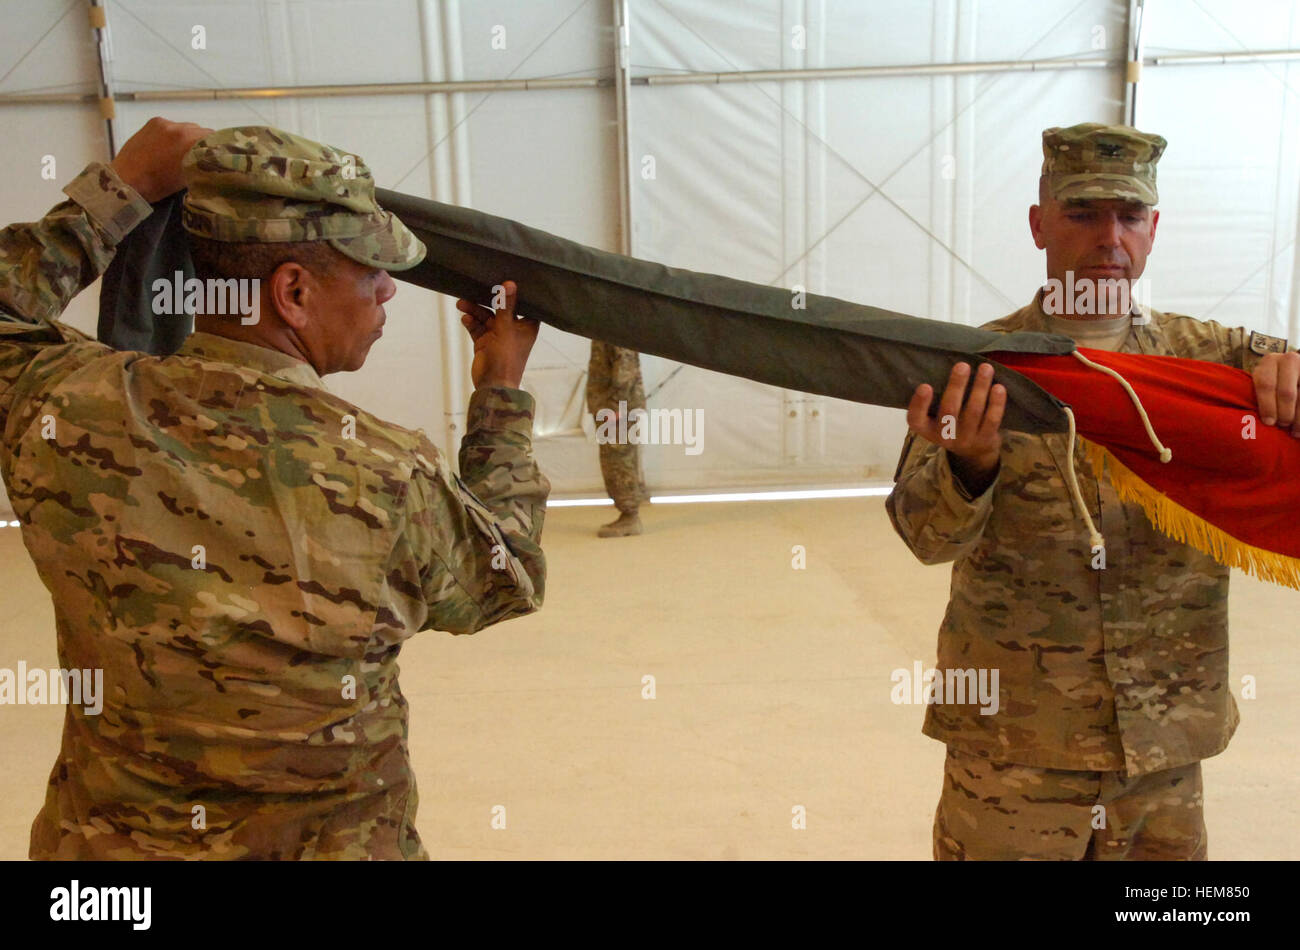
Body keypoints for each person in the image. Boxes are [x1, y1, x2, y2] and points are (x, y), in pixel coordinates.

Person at [0, 119, 549, 859]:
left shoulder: (64, 405)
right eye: (370, 269)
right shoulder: (388, 475)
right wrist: (501, 392)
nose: (388, 288)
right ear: (292, 291)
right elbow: (506, 577)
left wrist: (120, 188)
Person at [886, 122, 1300, 860]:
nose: (1110, 238)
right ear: (1039, 224)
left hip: (1164, 744)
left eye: (1129, 215)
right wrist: (970, 466)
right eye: (1082, 213)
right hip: (1015, 746)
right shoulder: (979, 367)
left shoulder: (1219, 364)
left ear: (1153, 230)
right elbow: (923, 536)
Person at [587, 339, 649, 536]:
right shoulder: (606, 327)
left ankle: (630, 517)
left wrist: (617, 405)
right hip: (612, 406)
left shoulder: (613, 327)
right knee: (619, 459)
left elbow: (625, 367)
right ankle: (629, 510)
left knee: (619, 462)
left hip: (616, 408)